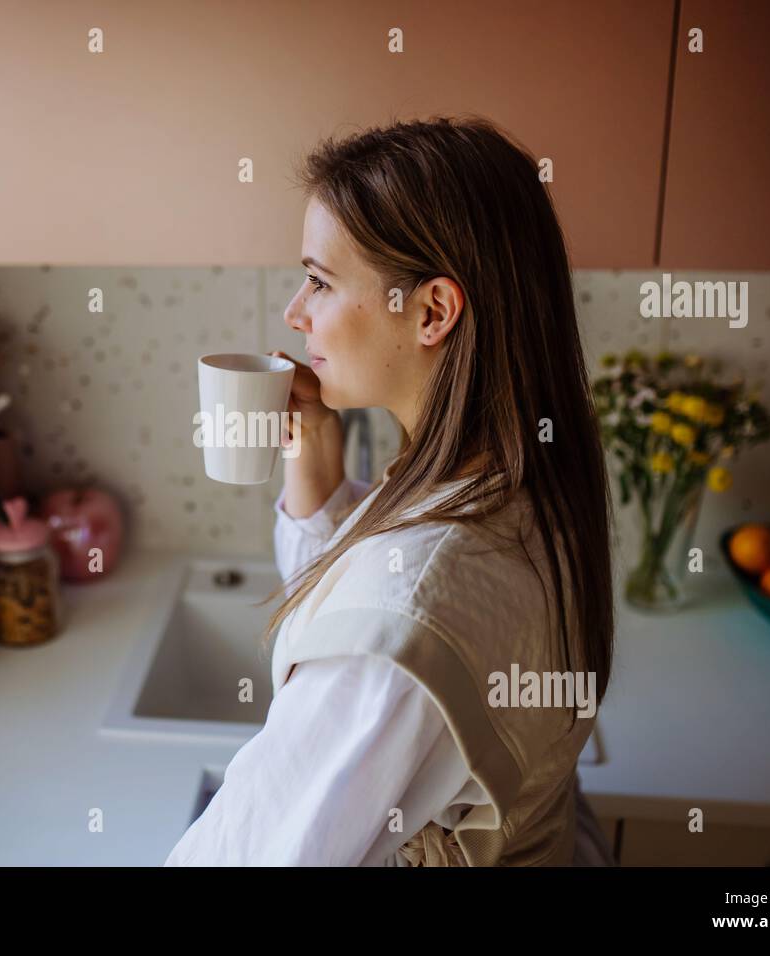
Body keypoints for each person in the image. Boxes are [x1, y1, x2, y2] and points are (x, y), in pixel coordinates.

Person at [166, 117, 616, 866]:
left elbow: (247, 853)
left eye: (319, 279)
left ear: (432, 311)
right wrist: (312, 448)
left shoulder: (407, 618)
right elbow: (357, 592)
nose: (294, 312)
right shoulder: (524, 483)